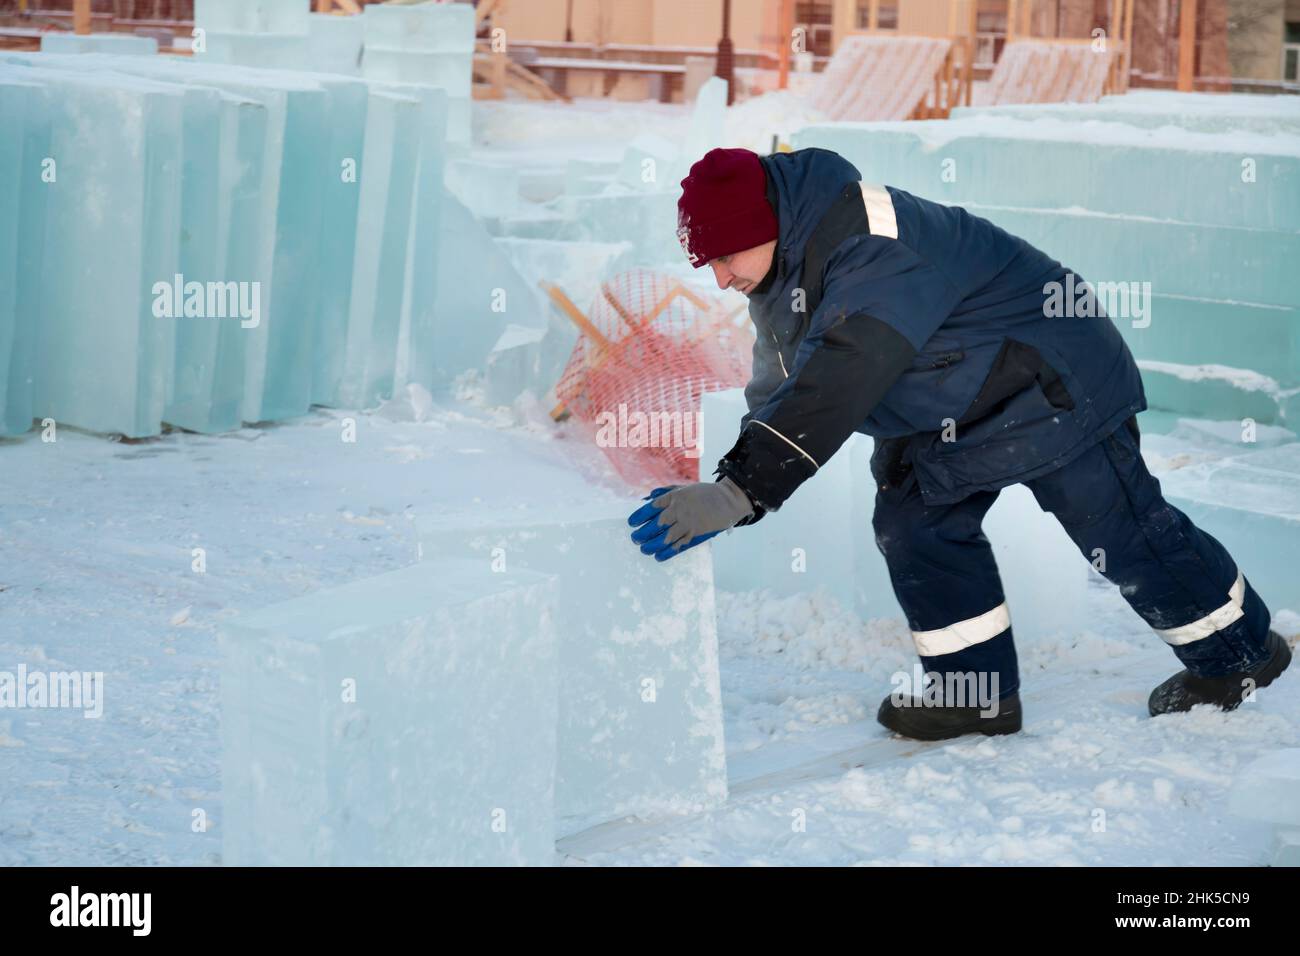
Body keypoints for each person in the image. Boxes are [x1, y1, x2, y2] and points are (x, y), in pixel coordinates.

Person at [626, 146, 1290, 741]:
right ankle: (973, 695)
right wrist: (731, 482)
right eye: (706, 262)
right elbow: (780, 386)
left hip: (1050, 376)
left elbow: (841, 372)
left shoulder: (870, 245)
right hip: (949, 397)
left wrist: (742, 489)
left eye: (722, 257)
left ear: (764, 227)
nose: (717, 278)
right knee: (914, 526)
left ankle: (1239, 655)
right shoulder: (778, 275)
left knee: (1119, 529)